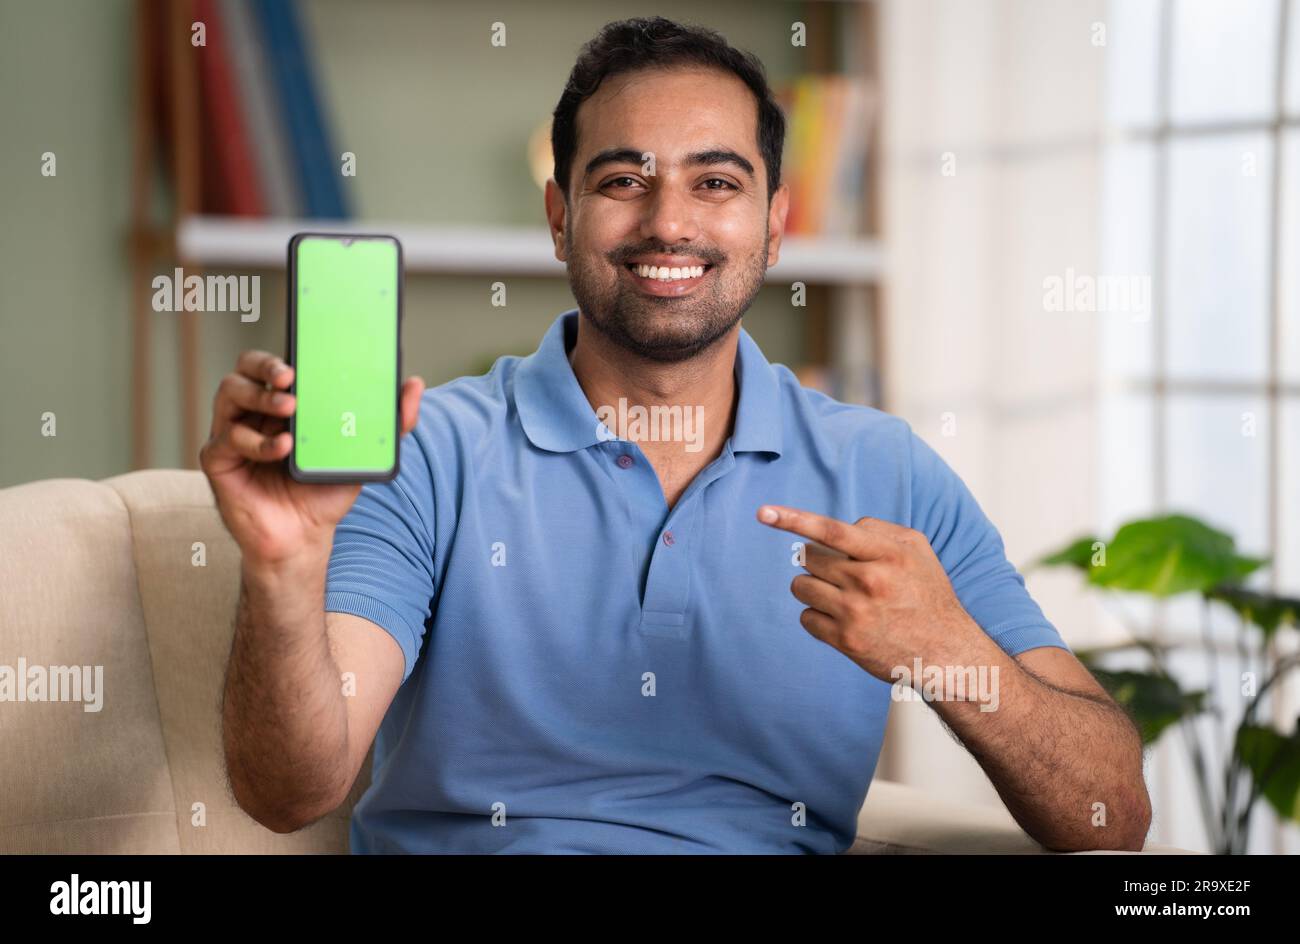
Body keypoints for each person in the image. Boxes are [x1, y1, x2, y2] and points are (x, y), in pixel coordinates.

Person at [203, 16, 1151, 854]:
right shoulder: (432, 452)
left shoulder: (884, 469)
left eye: (716, 182)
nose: (668, 223)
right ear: (559, 217)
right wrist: (283, 566)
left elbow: (1113, 813)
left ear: (775, 228)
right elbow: (291, 793)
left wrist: (952, 653)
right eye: (624, 179)